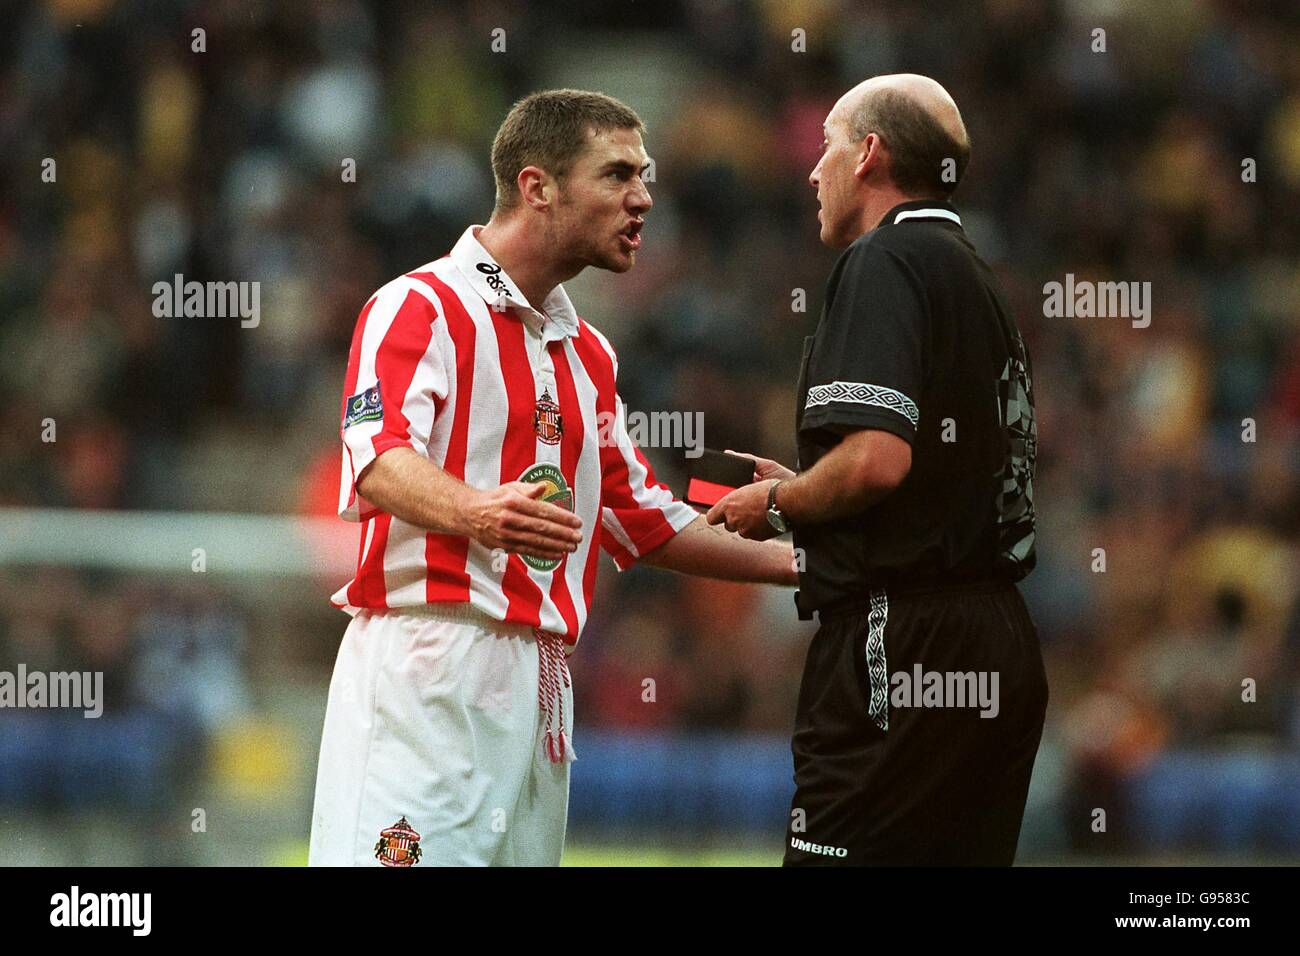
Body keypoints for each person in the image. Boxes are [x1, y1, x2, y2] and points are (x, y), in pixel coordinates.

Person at [309, 89, 796, 867]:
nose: (642, 198)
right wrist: (477, 512)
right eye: (616, 175)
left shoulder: (589, 353)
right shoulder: (418, 306)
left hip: (540, 685)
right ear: (538, 186)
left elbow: (639, 514)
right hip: (430, 664)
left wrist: (804, 563)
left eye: (646, 176)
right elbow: (377, 461)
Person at [708, 74, 1048, 865]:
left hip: (906, 638)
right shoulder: (973, 272)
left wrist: (783, 499)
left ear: (868, 154)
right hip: (997, 636)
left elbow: (876, 460)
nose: (811, 170)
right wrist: (811, 487)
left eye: (826, 144)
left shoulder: (884, 261)